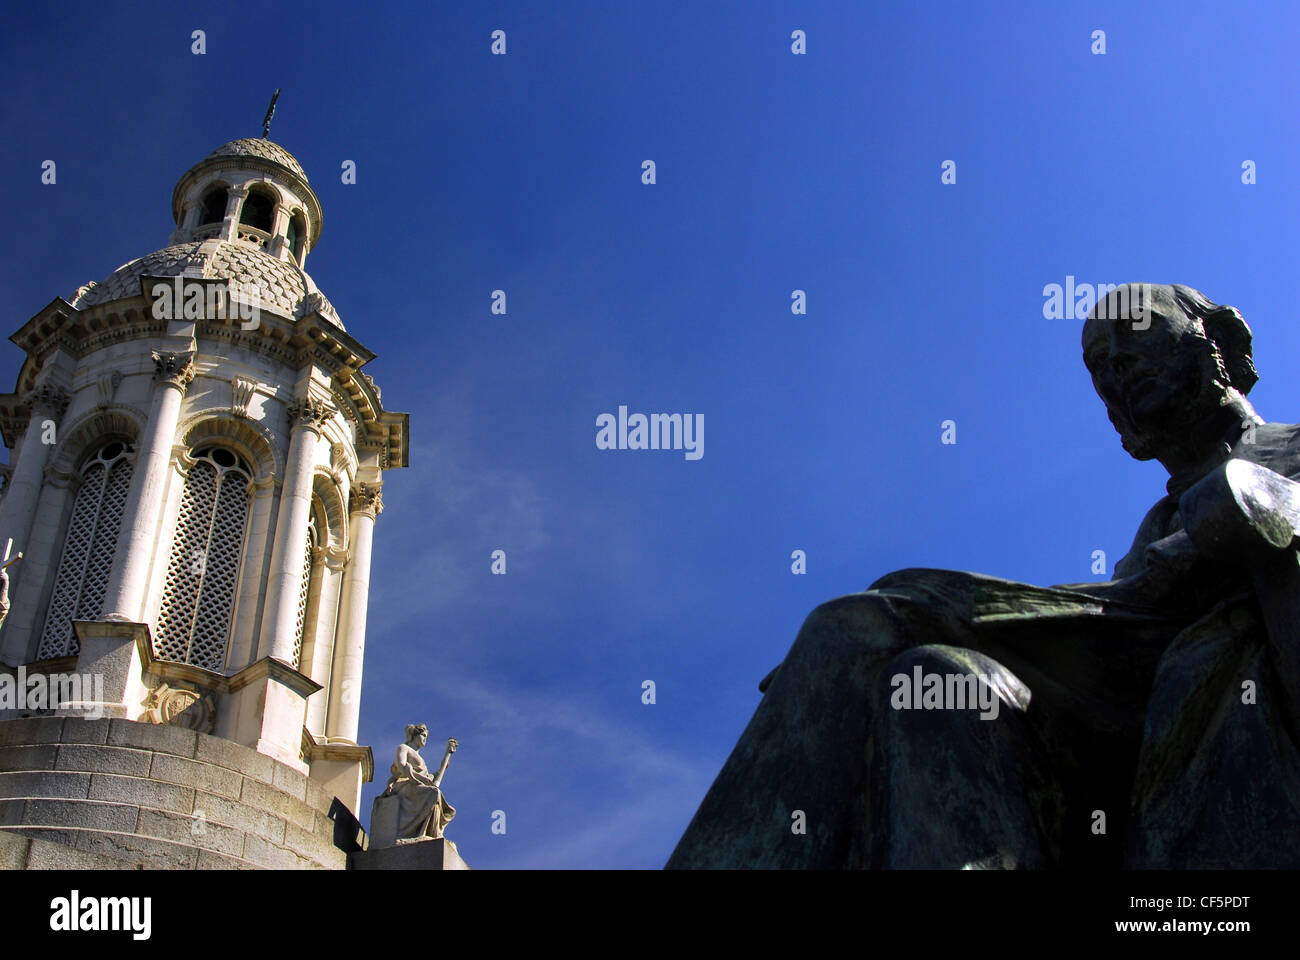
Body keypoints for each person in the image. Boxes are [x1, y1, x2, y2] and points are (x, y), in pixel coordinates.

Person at [667, 284, 1300, 869]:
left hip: (1205, 664)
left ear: (1216, 341)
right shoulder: (1159, 519)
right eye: (1097, 365)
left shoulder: (1289, 448)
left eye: (1135, 335)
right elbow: (1127, 613)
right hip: (1128, 699)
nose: (1113, 372)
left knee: (852, 624)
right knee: (939, 677)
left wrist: (1241, 502)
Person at [381, 723, 457, 841]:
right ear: (414, 735)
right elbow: (401, 765)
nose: (425, 738)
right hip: (404, 785)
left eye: (426, 736)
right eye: (423, 735)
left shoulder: (422, 760)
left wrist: (447, 754)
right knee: (433, 793)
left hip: (418, 786)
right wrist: (418, 778)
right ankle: (418, 833)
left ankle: (431, 833)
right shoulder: (403, 748)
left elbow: (433, 778)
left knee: (435, 795)